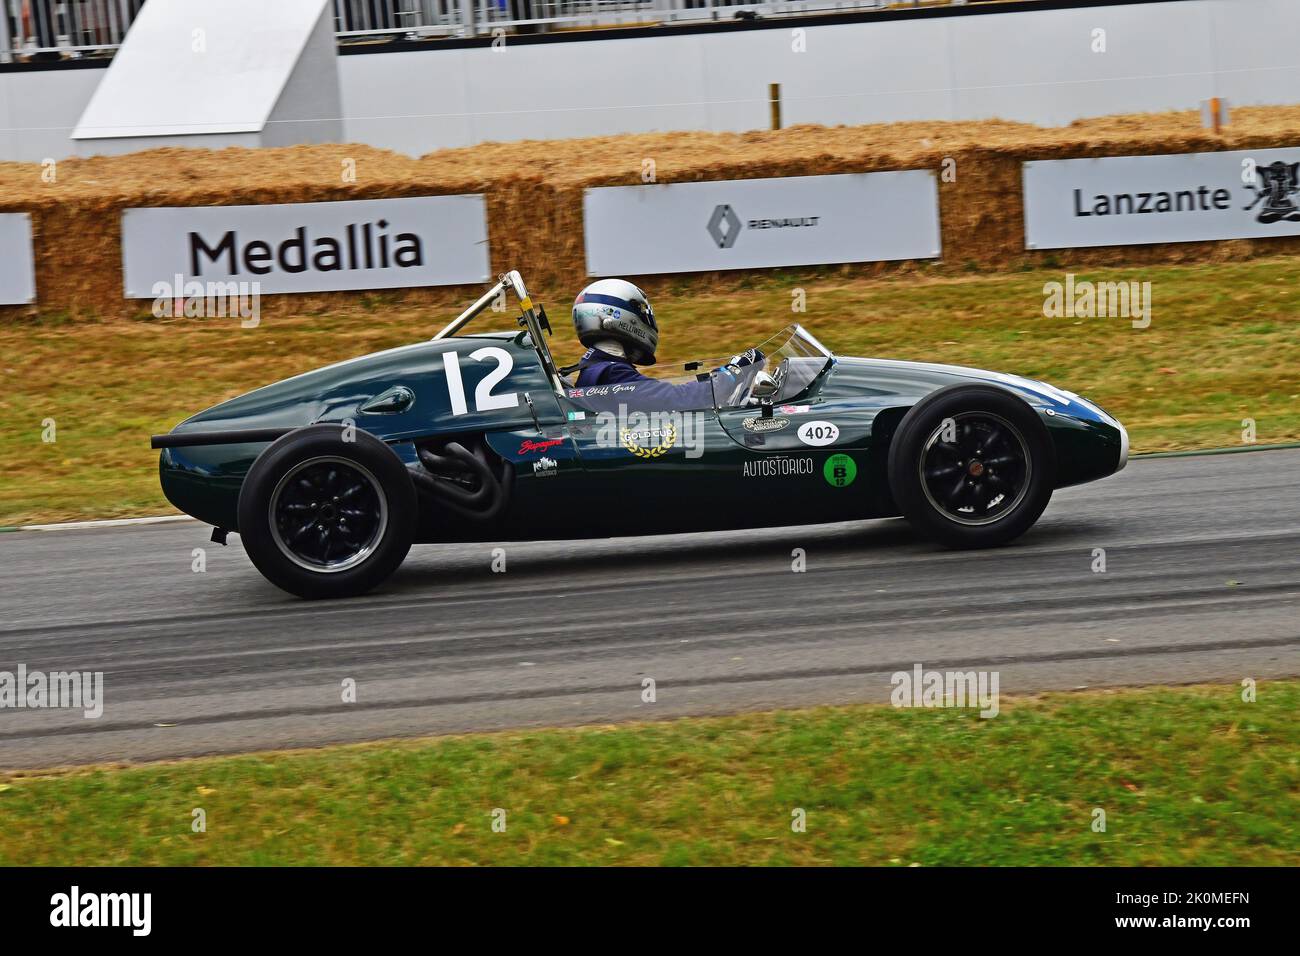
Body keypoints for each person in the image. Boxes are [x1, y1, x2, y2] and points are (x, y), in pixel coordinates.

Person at [566, 278, 763, 411]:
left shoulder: (594, 369)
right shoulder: (611, 374)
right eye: (643, 312)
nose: (647, 319)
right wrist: (730, 375)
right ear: (616, 318)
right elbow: (675, 399)